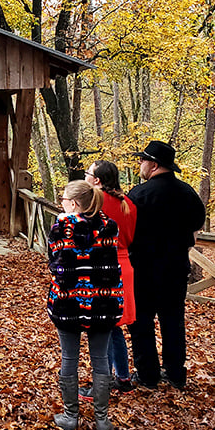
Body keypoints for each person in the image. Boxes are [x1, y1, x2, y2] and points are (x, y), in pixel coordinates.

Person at [127, 140, 206, 391]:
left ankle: (148, 374)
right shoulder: (188, 193)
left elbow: (125, 231)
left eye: (142, 160)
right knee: (173, 320)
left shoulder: (138, 195)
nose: (140, 164)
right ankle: (175, 373)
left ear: (153, 164)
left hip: (143, 269)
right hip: (174, 268)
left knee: (142, 322)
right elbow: (196, 228)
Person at [47, 180, 124, 430]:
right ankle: (102, 420)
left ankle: (71, 416)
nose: (61, 204)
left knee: (69, 358)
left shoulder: (61, 227)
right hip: (103, 302)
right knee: (100, 360)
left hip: (69, 301)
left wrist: (62, 222)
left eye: (64, 200)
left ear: (73, 203)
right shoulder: (109, 226)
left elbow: (54, 262)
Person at [80, 160, 137, 398]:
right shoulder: (128, 203)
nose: (85, 177)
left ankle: (101, 384)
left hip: (101, 266)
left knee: (100, 329)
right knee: (113, 327)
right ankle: (122, 378)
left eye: (87, 174)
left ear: (97, 180)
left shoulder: (94, 203)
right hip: (123, 265)